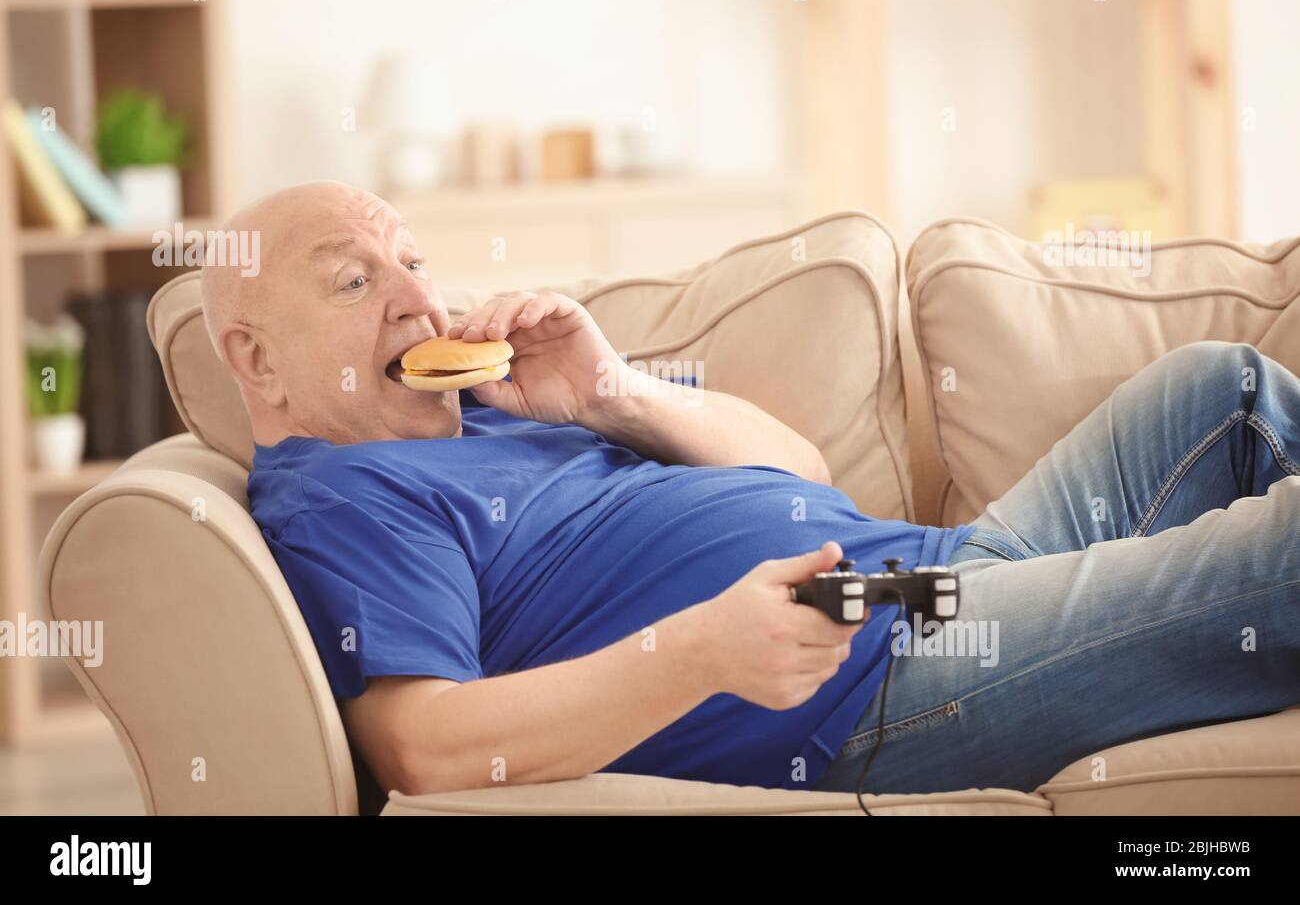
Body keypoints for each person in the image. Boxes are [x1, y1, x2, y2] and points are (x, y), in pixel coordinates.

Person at [200, 181, 1300, 796]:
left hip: (936, 575)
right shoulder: (341, 492)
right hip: (872, 680)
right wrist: (699, 652)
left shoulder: (496, 401)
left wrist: (611, 392)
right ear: (256, 360)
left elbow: (801, 471)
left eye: (413, 261)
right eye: (355, 278)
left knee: (1224, 386)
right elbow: (421, 744)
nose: (416, 299)